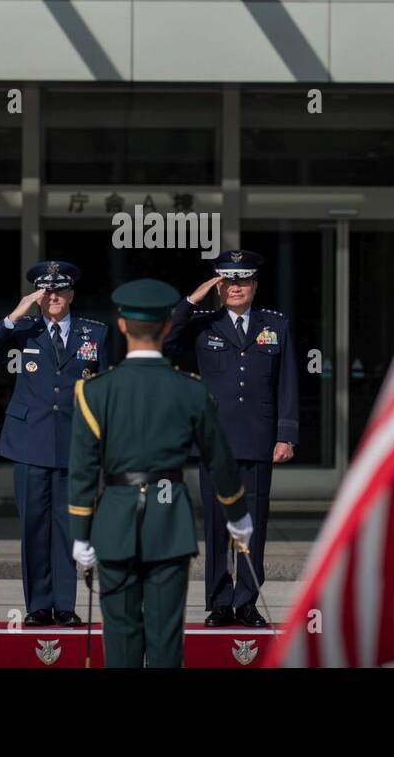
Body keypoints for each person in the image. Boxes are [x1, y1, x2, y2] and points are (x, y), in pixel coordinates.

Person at [68, 278, 251, 667]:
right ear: (167, 327)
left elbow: (83, 470)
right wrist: (238, 518)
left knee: (119, 634)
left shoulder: (93, 391)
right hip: (169, 520)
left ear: (121, 326)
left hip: (115, 520)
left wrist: (80, 536)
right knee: (166, 634)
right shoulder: (190, 390)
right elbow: (219, 461)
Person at [162, 249, 297, 627]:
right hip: (215, 439)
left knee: (252, 525)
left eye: (242, 281)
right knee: (218, 526)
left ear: (254, 285)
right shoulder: (203, 323)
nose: (235, 287)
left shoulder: (276, 326)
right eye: (228, 281)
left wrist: (285, 435)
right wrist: (191, 301)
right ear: (219, 287)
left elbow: (288, 383)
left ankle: (247, 600)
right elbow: (166, 340)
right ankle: (220, 602)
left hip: (258, 437)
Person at [0, 259, 107, 626]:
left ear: (71, 294)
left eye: (60, 290)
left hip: (73, 444)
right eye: (47, 291)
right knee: (34, 527)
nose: (54, 297)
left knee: (67, 528)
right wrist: (15, 313)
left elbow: (105, 390)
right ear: (38, 295)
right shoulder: (24, 331)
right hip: (29, 443)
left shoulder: (94, 333)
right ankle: (38, 606)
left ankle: (64, 605)